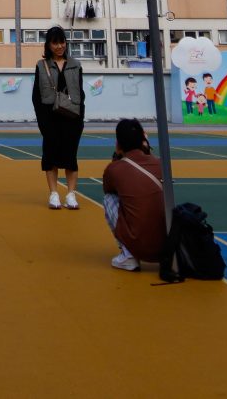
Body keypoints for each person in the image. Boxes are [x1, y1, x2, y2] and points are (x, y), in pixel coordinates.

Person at [100, 117, 167, 271]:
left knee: (110, 198)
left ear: (118, 143)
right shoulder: (160, 163)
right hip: (166, 245)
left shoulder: (115, 169)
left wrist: (117, 157)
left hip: (139, 245)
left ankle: (128, 255)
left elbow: (108, 189)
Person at [31, 25, 85, 209]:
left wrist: (80, 120)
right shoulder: (41, 65)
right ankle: (53, 194)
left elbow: (81, 93)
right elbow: (36, 96)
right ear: (48, 45)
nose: (60, 46)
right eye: (55, 43)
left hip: (72, 118)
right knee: (50, 156)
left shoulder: (76, 65)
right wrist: (42, 123)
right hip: (49, 117)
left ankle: (71, 195)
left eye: (62, 42)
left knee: (71, 157)